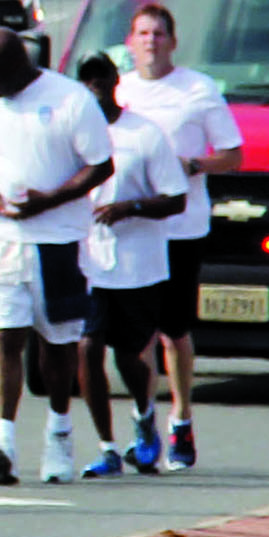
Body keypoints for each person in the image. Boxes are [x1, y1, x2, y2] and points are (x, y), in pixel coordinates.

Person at [0, 27, 113, 485]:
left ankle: (59, 433)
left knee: (58, 343)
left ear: (18, 67)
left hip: (56, 240)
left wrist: (51, 199)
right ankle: (2, 438)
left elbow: (100, 163)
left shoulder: (69, 99)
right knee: (6, 336)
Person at [117, 4, 243, 471]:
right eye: (142, 34)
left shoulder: (198, 90)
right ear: (130, 42)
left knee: (174, 330)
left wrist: (194, 165)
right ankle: (143, 418)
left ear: (173, 41)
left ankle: (182, 419)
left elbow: (233, 154)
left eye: (159, 34)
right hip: (133, 228)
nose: (150, 41)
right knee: (137, 334)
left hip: (183, 225)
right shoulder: (119, 92)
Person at [73, 54, 186, 480]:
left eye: (100, 77)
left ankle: (143, 416)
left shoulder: (143, 134)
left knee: (128, 356)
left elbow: (176, 197)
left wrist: (130, 207)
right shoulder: (73, 137)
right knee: (87, 346)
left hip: (138, 265)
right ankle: (106, 448)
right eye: (86, 80)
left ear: (114, 81)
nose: (94, 86)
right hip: (89, 261)